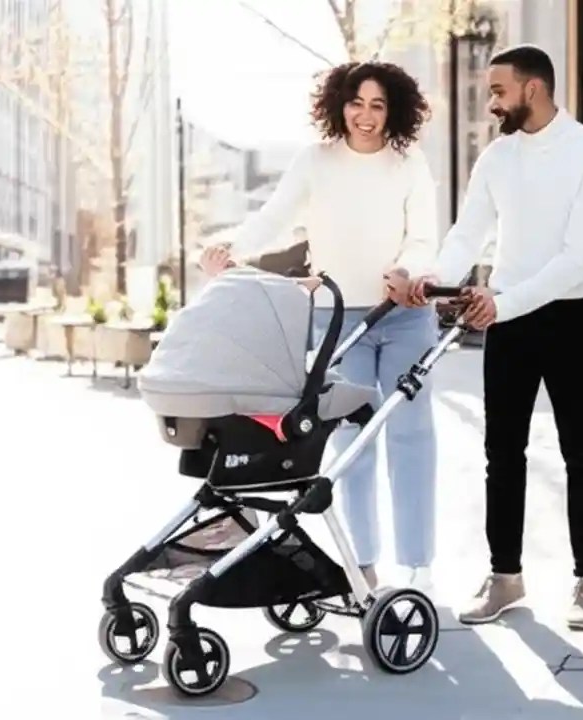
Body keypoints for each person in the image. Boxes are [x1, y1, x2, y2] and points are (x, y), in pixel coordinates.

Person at [199, 61, 441, 593]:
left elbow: (424, 235)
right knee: (351, 441)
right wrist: (231, 250)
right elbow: (274, 218)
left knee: (411, 434)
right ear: (339, 104)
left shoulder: (409, 163)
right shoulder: (316, 161)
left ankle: (418, 567)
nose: (366, 115)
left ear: (393, 110)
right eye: (357, 102)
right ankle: (365, 565)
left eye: (378, 105)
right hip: (339, 321)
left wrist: (410, 269)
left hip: (404, 316)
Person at [407, 44, 583, 630]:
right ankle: (506, 577)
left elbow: (578, 257)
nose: (492, 101)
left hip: (571, 318)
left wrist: (503, 303)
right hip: (506, 320)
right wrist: (433, 278)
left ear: (533, 88)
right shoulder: (496, 159)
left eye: (499, 90)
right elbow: (467, 233)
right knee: (501, 454)